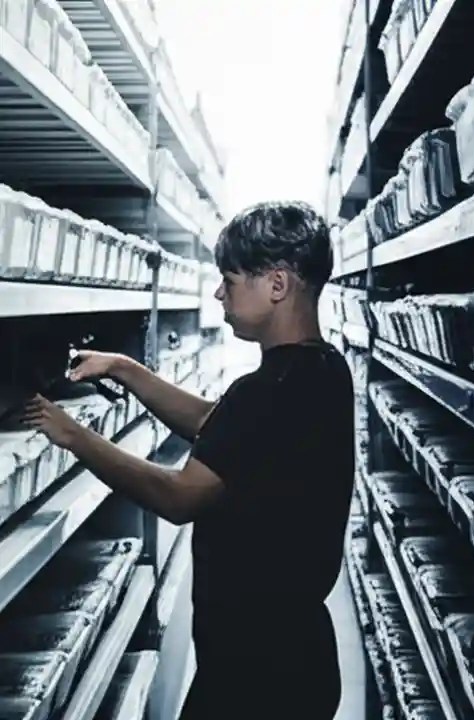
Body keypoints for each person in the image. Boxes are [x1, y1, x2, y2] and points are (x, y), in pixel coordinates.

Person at [23, 201, 354, 719]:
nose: (219, 292)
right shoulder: (325, 371)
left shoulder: (265, 391)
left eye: (229, 279)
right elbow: (220, 427)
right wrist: (126, 368)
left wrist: (73, 435)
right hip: (300, 653)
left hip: (255, 674)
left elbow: (179, 496)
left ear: (277, 284)